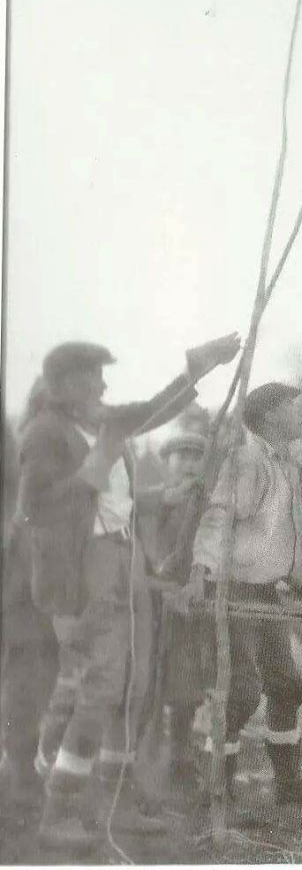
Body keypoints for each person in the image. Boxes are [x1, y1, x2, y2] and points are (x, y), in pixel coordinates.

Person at [16, 333, 240, 850]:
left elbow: (154, 411)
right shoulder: (46, 433)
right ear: (64, 385)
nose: (103, 386)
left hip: (123, 557)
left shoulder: (104, 422)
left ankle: (114, 803)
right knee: (101, 684)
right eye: (93, 378)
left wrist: (196, 370)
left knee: (132, 685)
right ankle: (58, 808)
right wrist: (95, 467)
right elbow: (34, 509)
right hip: (83, 568)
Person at [175, 381, 302, 809]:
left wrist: (292, 578)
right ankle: (218, 789)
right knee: (241, 692)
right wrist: (199, 572)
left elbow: (274, 535)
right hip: (236, 590)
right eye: (291, 406)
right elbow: (219, 518)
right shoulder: (248, 461)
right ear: (269, 416)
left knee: (286, 686)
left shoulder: (284, 465)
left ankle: (289, 784)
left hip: (267, 592)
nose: (300, 413)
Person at [0, 401, 59, 808]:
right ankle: (20, 769)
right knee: (24, 675)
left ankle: (26, 766)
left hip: (41, 588)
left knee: (38, 676)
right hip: (21, 588)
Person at [152, 432, 210, 791]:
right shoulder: (155, 502)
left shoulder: (206, 506)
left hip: (188, 607)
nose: (189, 463)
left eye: (195, 457)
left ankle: (179, 756)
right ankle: (141, 758)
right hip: (151, 604)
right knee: (147, 683)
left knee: (186, 686)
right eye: (182, 455)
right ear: (167, 461)